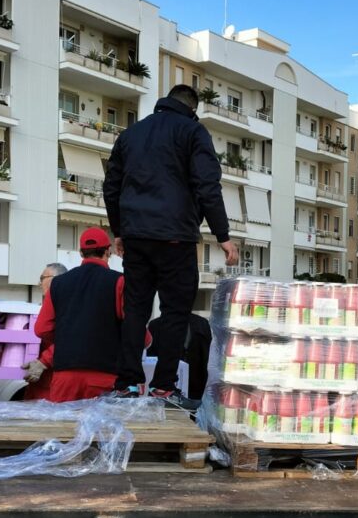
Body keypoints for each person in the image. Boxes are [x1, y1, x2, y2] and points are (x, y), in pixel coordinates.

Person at [103, 83, 238, 402]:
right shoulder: (193, 132)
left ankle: (128, 383)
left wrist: (119, 231)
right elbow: (207, 186)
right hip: (176, 237)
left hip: (136, 236)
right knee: (176, 311)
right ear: (193, 109)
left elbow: (111, 187)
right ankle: (164, 385)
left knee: (135, 308)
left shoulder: (130, 134)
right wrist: (223, 236)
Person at [33, 228, 125, 402]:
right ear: (108, 251)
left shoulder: (59, 283)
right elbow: (134, 330)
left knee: (63, 428)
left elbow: (41, 329)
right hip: (104, 375)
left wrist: (69, 339)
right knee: (100, 428)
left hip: (64, 377)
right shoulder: (119, 281)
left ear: (81, 253)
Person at [21, 262, 67, 401]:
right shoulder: (47, 304)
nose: (39, 283)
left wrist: (44, 362)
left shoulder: (65, 305)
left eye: (42, 278)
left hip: (52, 381)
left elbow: (68, 339)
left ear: (55, 279)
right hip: (38, 380)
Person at [147, 312, 212, 402]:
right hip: (168, 382)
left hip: (194, 382)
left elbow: (205, 357)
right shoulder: (155, 324)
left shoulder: (201, 324)